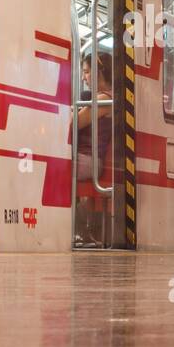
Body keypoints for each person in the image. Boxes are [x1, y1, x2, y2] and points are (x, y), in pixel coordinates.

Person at [74, 50, 113, 248]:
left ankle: (80, 232)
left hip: (89, 161)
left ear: (99, 73)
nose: (84, 77)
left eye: (87, 71)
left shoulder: (105, 99)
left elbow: (75, 123)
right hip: (85, 158)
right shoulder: (101, 98)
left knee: (57, 166)